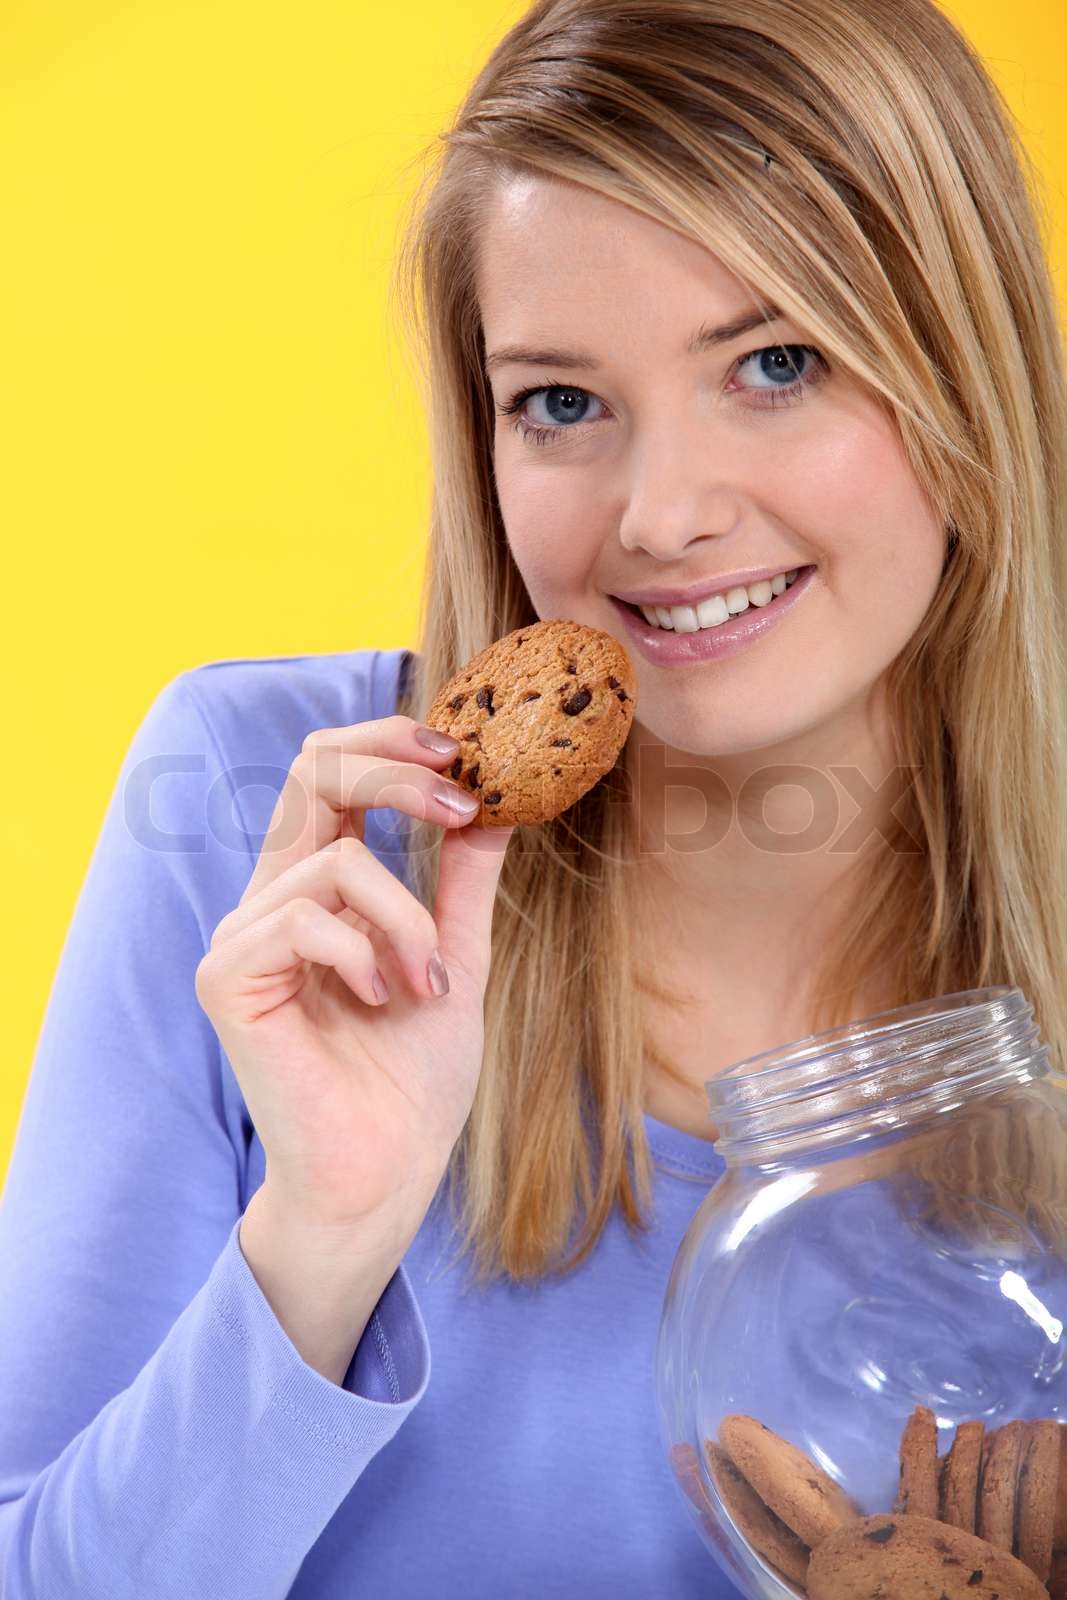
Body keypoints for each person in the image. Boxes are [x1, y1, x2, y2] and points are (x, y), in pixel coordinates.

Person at [1, 0, 1065, 1593]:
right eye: (560, 402)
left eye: (777, 363)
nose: (664, 516)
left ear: (963, 371)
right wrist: (325, 1239)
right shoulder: (268, 815)